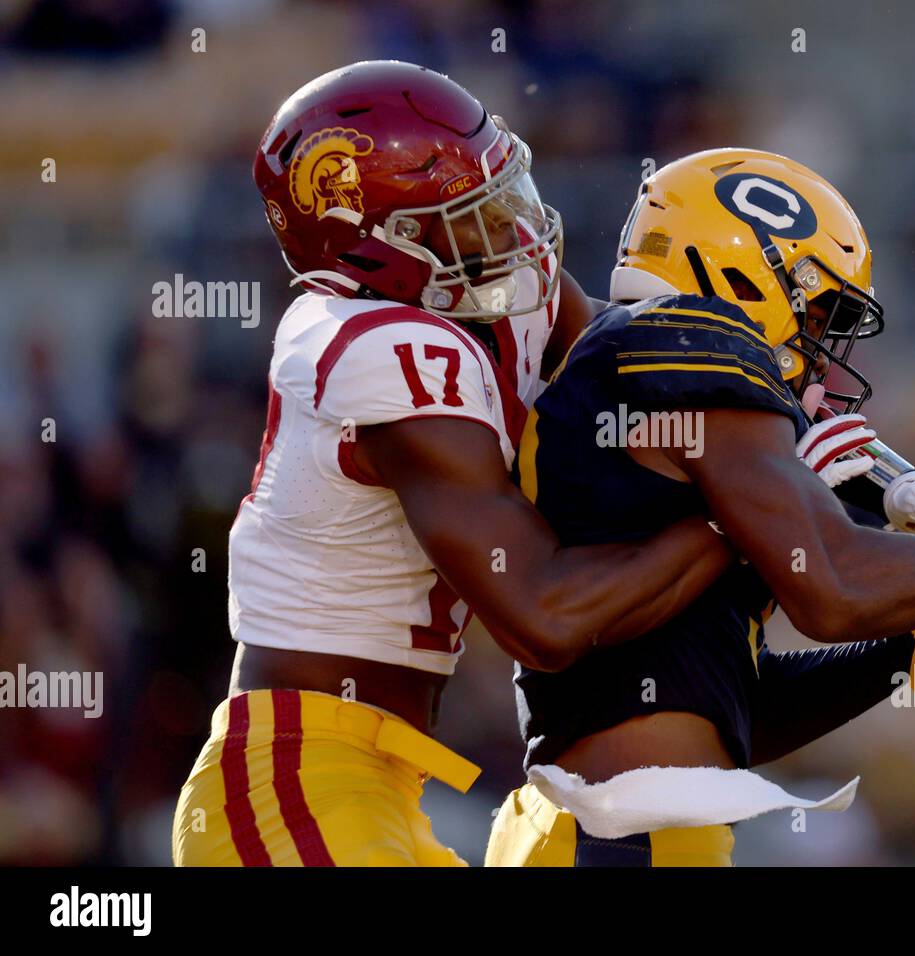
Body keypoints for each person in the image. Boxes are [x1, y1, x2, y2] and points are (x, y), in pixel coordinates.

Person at [171, 62, 737, 867]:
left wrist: (787, 414)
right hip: (291, 775)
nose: (513, 230)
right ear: (383, 249)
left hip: (387, 781)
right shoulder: (376, 344)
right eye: (472, 216)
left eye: (506, 193)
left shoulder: (496, 290)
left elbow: (638, 375)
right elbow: (541, 616)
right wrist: (733, 520)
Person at [485, 148, 915, 866]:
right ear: (740, 272)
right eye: (819, 312)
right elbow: (835, 590)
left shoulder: (637, 379)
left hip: (606, 827)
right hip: (629, 830)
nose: (821, 351)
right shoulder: (685, 338)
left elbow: (733, 711)